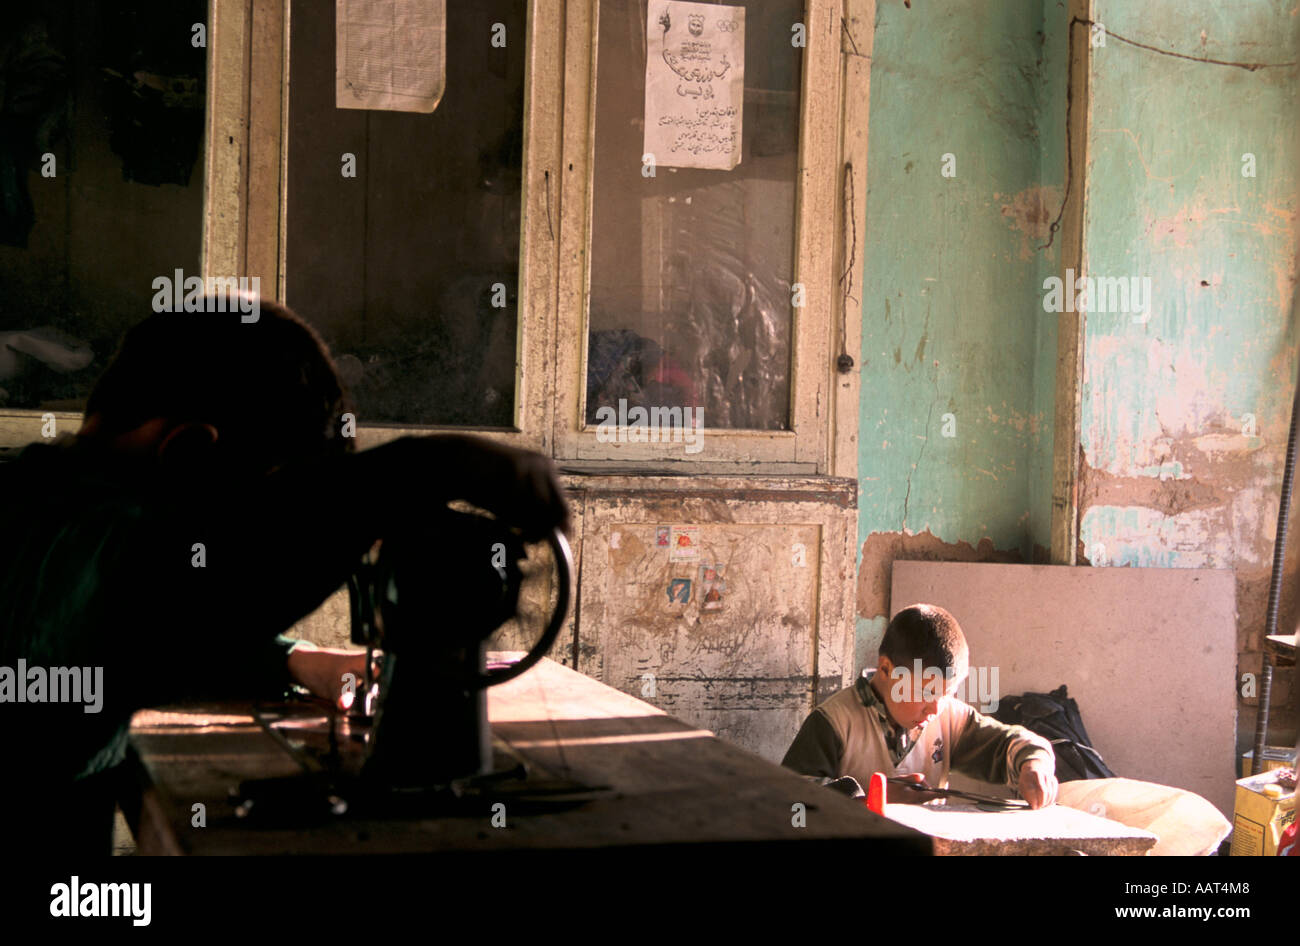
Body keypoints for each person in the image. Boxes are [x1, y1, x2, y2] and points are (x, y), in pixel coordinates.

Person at [0, 297, 570, 854]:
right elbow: (194, 589)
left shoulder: (40, 506)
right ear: (190, 457)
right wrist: (417, 470)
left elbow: (137, 637)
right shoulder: (80, 543)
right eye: (255, 511)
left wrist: (295, 660)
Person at [782, 604, 1059, 809]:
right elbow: (789, 807)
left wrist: (1034, 764)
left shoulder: (950, 719)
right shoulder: (835, 722)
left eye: (947, 693)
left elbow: (1013, 743)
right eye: (926, 692)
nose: (935, 710)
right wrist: (872, 800)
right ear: (886, 669)